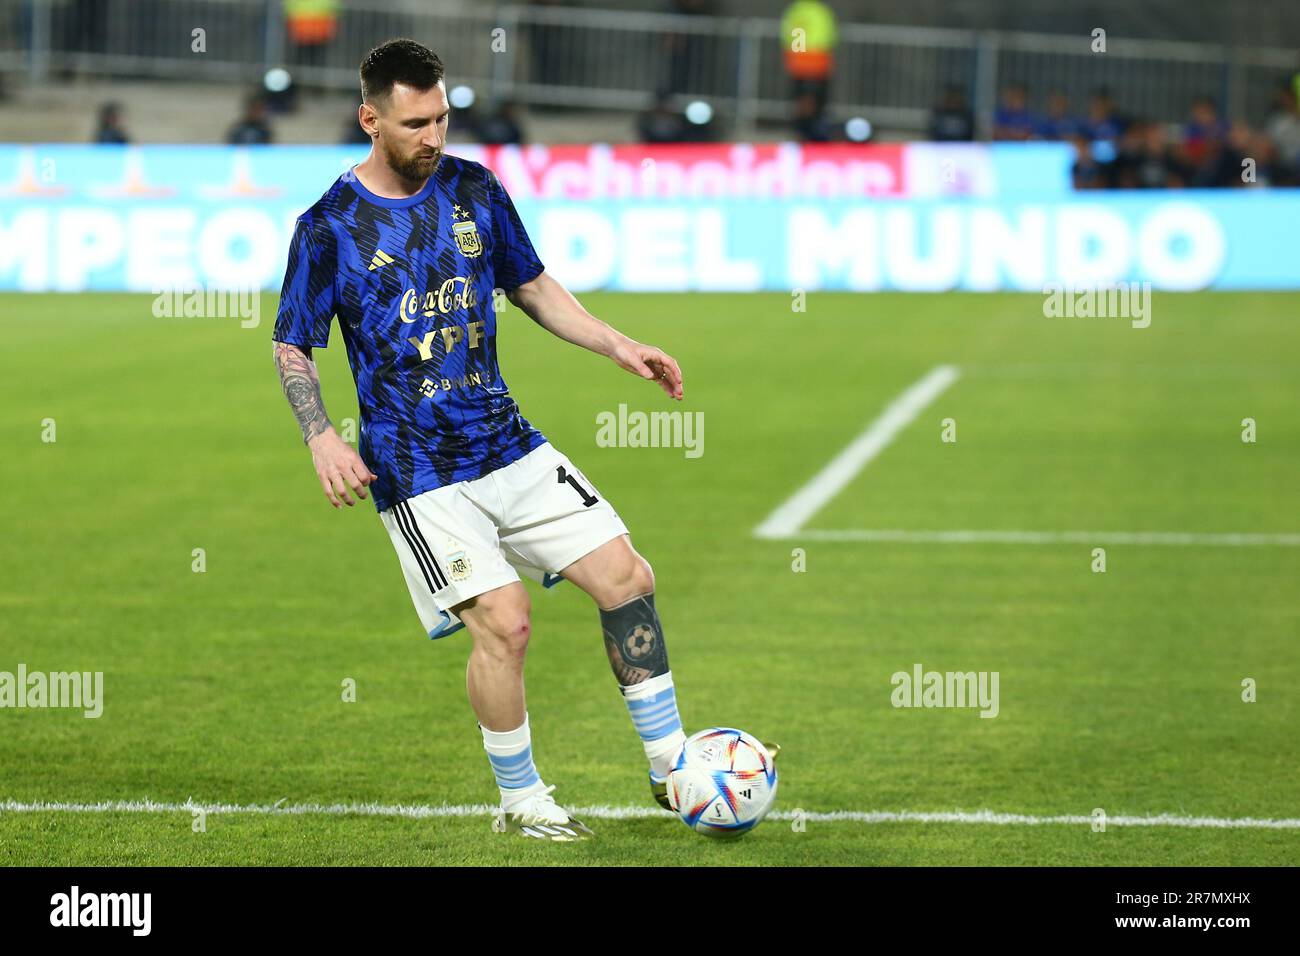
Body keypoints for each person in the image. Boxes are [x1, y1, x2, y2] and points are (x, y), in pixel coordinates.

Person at [272, 39, 774, 840]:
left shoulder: (473, 188)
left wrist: (618, 344)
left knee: (627, 577)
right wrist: (323, 438)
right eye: (415, 123)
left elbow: (531, 284)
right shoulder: (329, 227)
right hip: (418, 467)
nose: (434, 135)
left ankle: (671, 763)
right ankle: (522, 798)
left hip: (505, 440)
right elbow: (293, 342)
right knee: (505, 621)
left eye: (442, 116)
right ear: (370, 119)